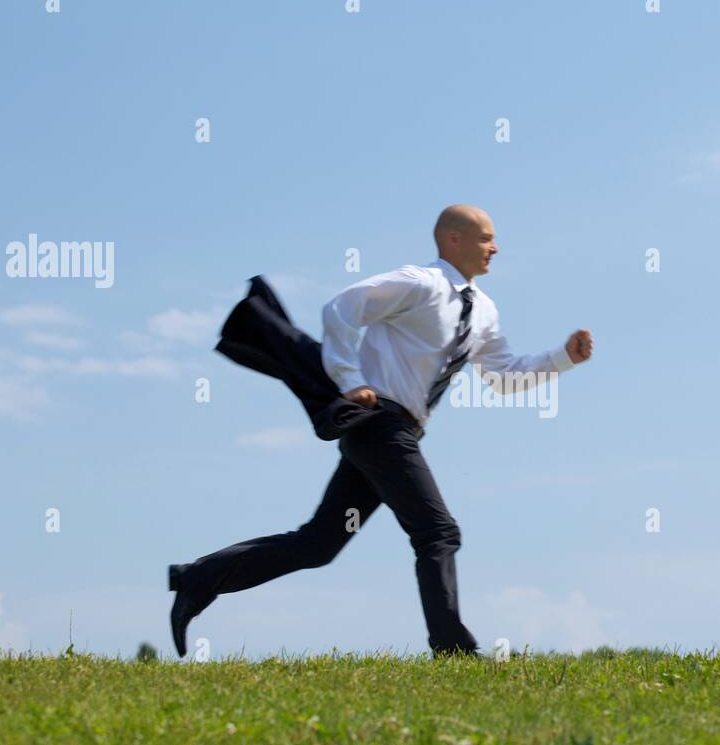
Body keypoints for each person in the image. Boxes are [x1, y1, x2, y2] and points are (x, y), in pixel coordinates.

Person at [168, 204, 594, 657]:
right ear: (453, 240)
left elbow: (504, 376)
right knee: (438, 532)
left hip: (402, 432)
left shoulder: (484, 310)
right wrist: (351, 381)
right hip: (378, 422)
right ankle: (453, 651)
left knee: (319, 543)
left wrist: (563, 357)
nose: (496, 247)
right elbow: (341, 308)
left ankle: (196, 578)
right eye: (487, 237)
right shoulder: (420, 283)